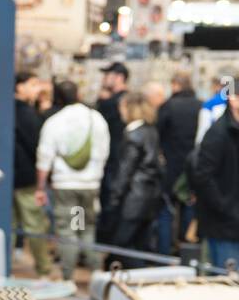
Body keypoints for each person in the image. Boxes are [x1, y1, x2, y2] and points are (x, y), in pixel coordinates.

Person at [35, 79, 111, 281]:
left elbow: (44, 158)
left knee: (68, 231)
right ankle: (96, 274)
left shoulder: (55, 122)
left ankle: (68, 278)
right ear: (78, 94)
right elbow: (104, 152)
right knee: (86, 228)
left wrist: (40, 188)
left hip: (64, 185)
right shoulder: (96, 119)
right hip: (90, 185)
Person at [192, 75, 239, 272]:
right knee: (227, 281)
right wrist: (228, 209)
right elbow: (203, 177)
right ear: (234, 99)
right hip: (225, 225)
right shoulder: (219, 133)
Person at [103, 90, 165, 268]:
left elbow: (125, 171)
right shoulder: (151, 131)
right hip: (150, 196)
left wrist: (114, 199)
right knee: (140, 243)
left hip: (133, 198)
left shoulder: (133, 135)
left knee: (122, 245)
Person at [12, 71, 56, 277]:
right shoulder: (29, 114)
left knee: (11, 226)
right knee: (75, 224)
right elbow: (39, 148)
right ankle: (52, 267)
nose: (38, 89)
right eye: (33, 84)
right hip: (37, 181)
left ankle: (5, 267)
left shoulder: (10, 110)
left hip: (14, 179)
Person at [155, 67, 202, 255]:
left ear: (175, 85)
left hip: (170, 167)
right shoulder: (201, 106)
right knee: (189, 210)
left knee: (165, 212)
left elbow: (157, 134)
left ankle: (163, 254)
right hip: (193, 169)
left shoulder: (167, 106)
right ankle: (185, 253)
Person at [96, 62, 130, 242]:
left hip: (113, 161)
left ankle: (107, 244)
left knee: (110, 203)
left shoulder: (110, 103)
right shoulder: (123, 99)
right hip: (119, 161)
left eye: (107, 74)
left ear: (118, 77)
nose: (104, 79)